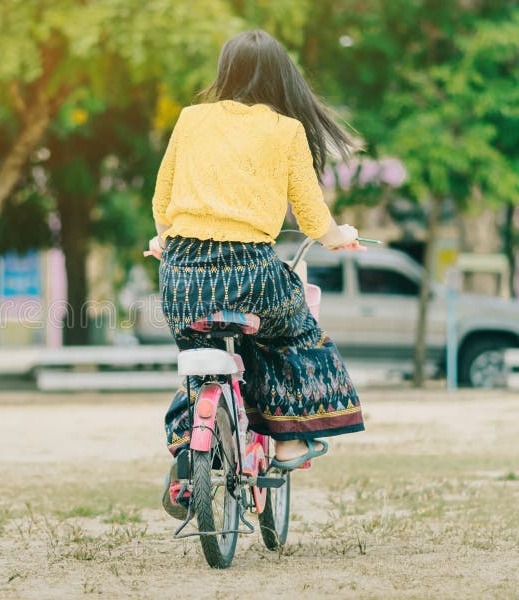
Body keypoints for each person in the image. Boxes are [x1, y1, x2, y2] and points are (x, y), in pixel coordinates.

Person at [146, 30, 365, 518]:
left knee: (200, 357)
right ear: (280, 76)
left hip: (181, 272)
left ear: (226, 71)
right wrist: (338, 234)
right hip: (251, 274)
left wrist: (167, 240)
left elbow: (162, 203)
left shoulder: (190, 118)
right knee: (295, 333)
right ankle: (288, 444)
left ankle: (189, 445)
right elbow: (312, 218)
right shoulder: (285, 129)